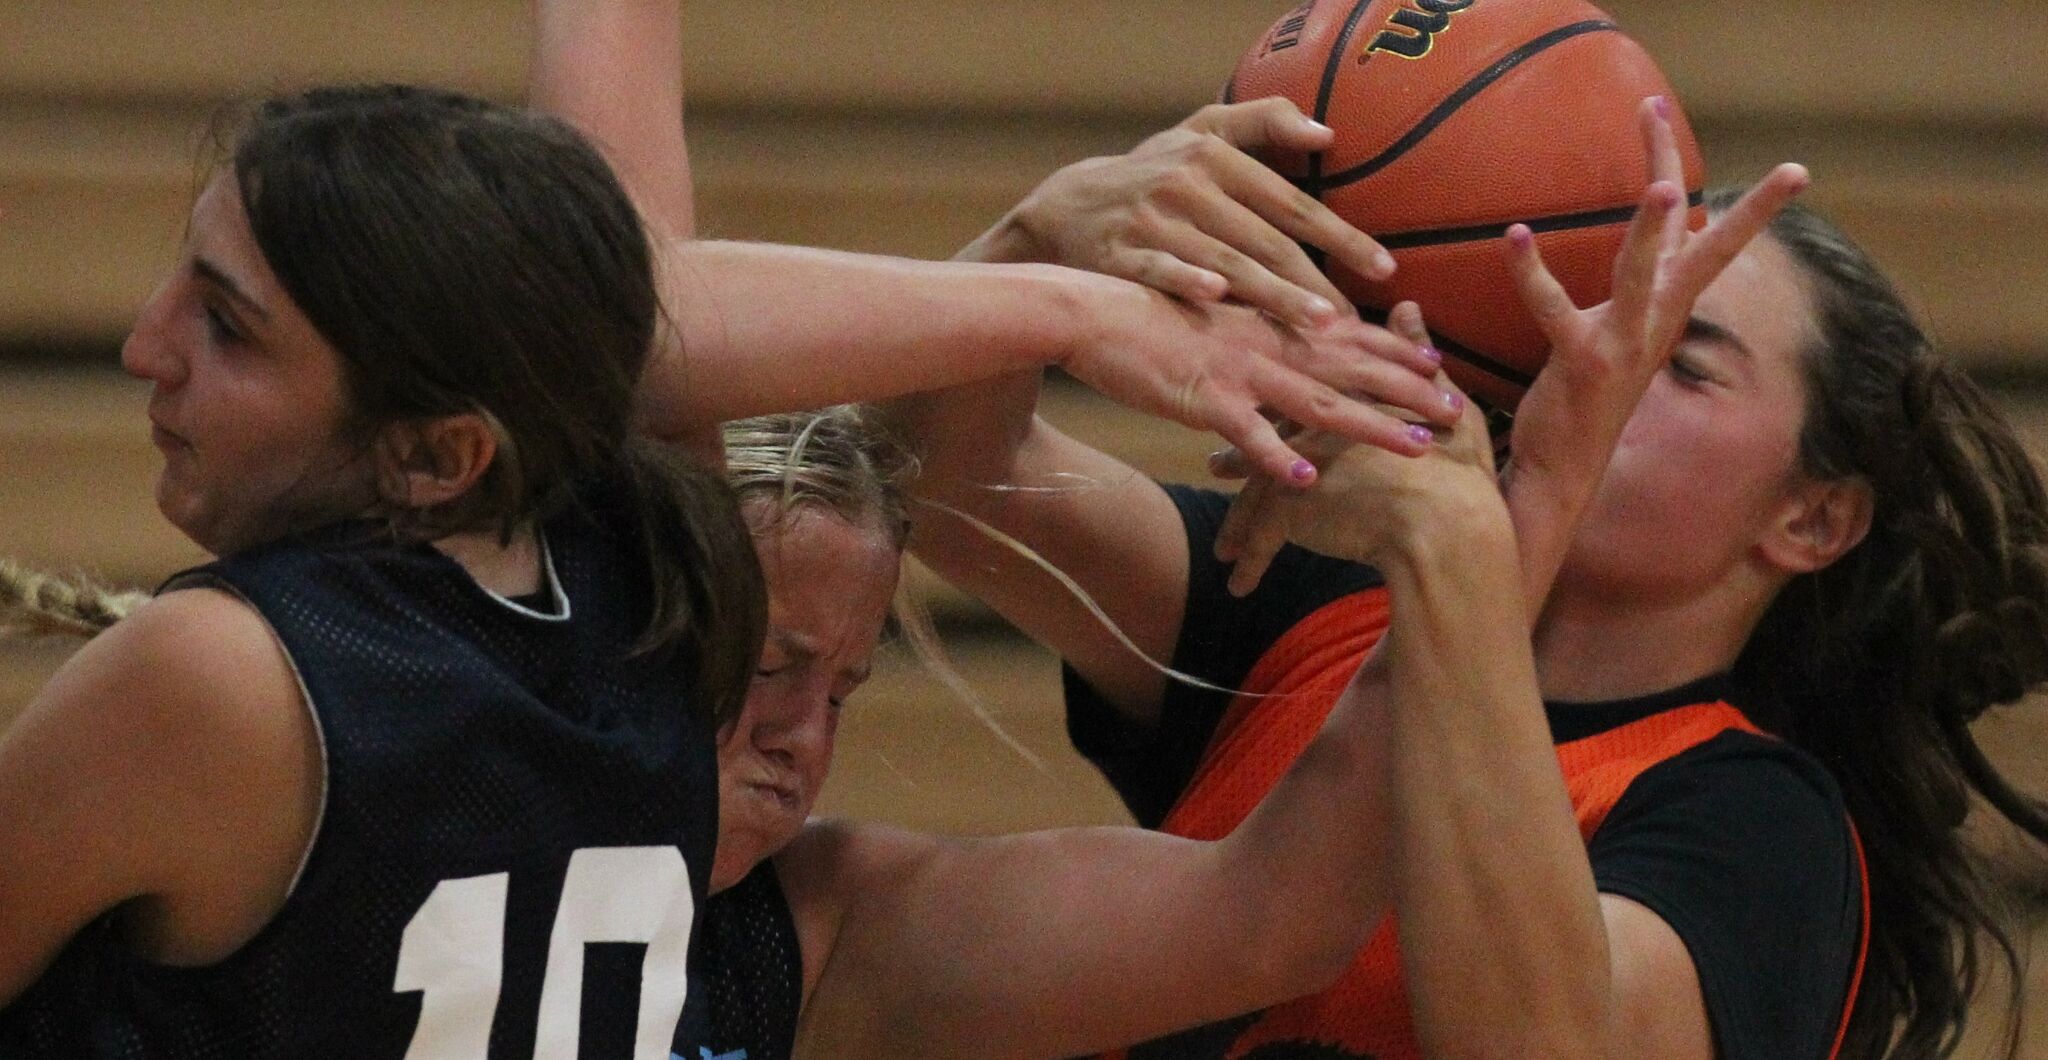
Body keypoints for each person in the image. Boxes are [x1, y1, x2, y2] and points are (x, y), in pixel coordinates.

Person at [0, 78, 1460, 1057]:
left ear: (442, 455)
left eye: (229, 324)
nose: (143, 345)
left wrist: (1056, 297)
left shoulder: (235, 684)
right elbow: (631, 279)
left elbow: (637, 289)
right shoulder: (636, 630)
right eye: (773, 669)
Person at [527, 6, 1812, 1056]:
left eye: (845, 687)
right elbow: (666, 349)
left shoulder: (814, 936)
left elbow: (1293, 924)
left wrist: (1485, 520)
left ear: (1818, 512)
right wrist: (1053, 271)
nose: (801, 743)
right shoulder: (396, 712)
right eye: (764, 669)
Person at [897, 99, 2048, 1060]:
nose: (1585, 371)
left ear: (1812, 517)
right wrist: (1034, 247)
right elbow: (947, 480)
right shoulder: (1310, 619)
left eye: (1669, 363)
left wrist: (1458, 548)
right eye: (1579, 319)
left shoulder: (1754, 822)